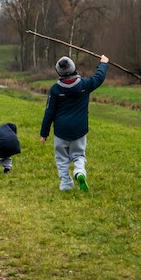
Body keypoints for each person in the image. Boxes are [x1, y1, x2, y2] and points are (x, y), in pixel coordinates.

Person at [40, 54, 109, 192]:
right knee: (79, 155)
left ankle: (66, 184)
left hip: (61, 132)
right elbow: (99, 77)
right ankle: (79, 172)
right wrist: (103, 63)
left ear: (58, 72)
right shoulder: (85, 85)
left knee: (62, 159)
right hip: (79, 130)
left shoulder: (55, 90)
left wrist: (44, 133)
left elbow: (49, 113)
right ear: (74, 68)